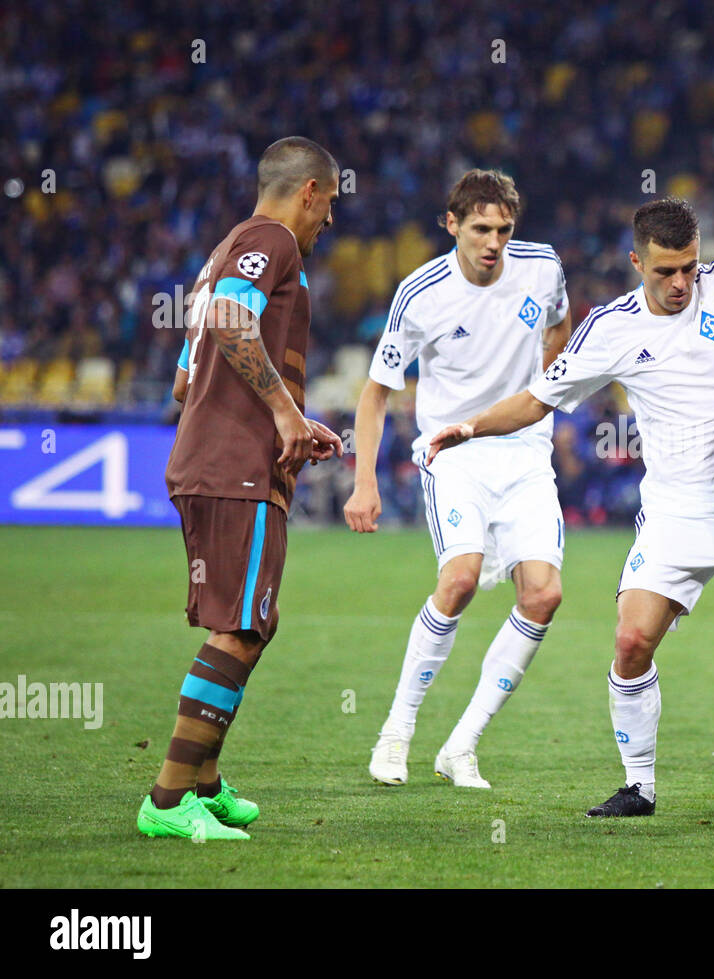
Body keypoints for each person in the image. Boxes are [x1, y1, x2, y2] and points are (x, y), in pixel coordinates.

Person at [425, 198, 714, 817]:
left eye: (689, 269)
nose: (680, 284)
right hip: (675, 514)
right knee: (631, 640)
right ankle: (639, 787)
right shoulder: (610, 328)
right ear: (635, 262)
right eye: (664, 272)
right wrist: (468, 428)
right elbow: (539, 400)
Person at [140, 137, 344, 840]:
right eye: (331, 204)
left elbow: (182, 377)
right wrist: (282, 413)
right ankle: (168, 802)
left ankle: (204, 780)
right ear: (309, 191)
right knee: (242, 627)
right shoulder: (272, 239)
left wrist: (288, 411)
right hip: (237, 467)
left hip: (211, 457)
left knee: (253, 618)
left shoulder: (222, 253)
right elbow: (233, 322)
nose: (330, 223)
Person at [343, 170, 572, 789]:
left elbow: (558, 328)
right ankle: (396, 732)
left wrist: (547, 388)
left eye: (503, 229)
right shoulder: (421, 294)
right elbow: (374, 394)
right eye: (480, 229)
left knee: (544, 595)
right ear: (452, 226)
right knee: (461, 579)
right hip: (452, 451)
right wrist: (364, 481)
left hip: (524, 447)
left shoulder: (544, 267)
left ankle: (462, 744)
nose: (493, 242)